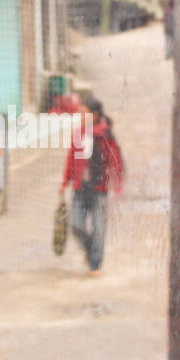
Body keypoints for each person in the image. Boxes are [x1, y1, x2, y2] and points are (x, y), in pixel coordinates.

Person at [59, 97, 124, 276]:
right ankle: (90, 251)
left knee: (99, 228)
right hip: (80, 188)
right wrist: (65, 182)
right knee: (75, 224)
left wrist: (117, 183)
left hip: (99, 191)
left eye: (83, 113)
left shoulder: (106, 135)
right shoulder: (78, 133)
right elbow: (71, 158)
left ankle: (95, 266)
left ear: (94, 115)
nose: (80, 116)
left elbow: (115, 160)